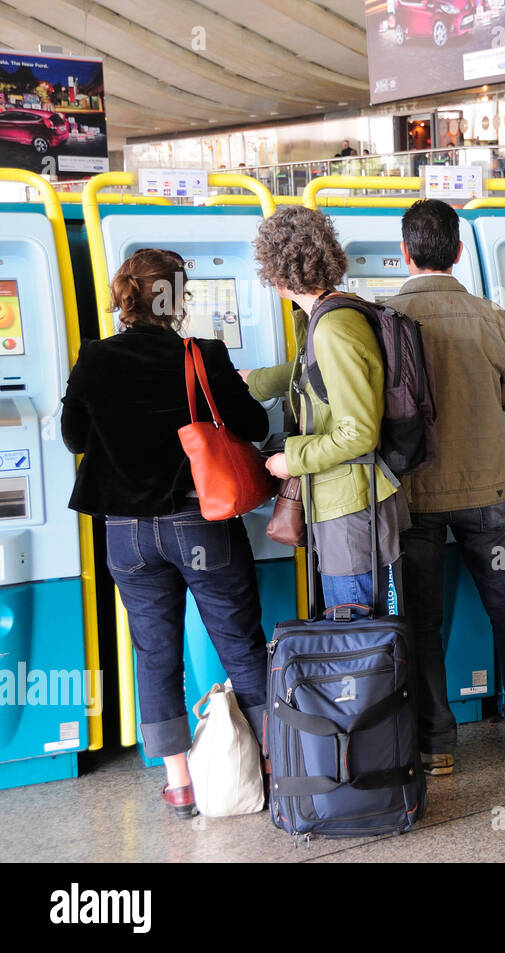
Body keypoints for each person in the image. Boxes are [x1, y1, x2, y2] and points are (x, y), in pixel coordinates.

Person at [62, 249, 270, 818]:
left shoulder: (95, 358)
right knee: (239, 642)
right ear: (177, 300)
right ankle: (276, 760)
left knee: (155, 653)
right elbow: (255, 425)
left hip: (125, 534)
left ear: (124, 295)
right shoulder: (199, 355)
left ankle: (179, 783)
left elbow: (76, 438)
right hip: (194, 520)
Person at [384, 199, 505, 770]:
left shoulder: (382, 318)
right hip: (488, 494)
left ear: (404, 252)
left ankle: (437, 746)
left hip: (415, 497)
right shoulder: (491, 315)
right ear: (457, 252)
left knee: (423, 620)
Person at [251, 206, 408, 618]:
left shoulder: (333, 327)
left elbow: (357, 433)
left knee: (355, 627)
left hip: (351, 505)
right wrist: (255, 380)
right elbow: (314, 374)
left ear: (278, 274)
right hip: (345, 498)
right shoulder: (330, 315)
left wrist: (292, 459)